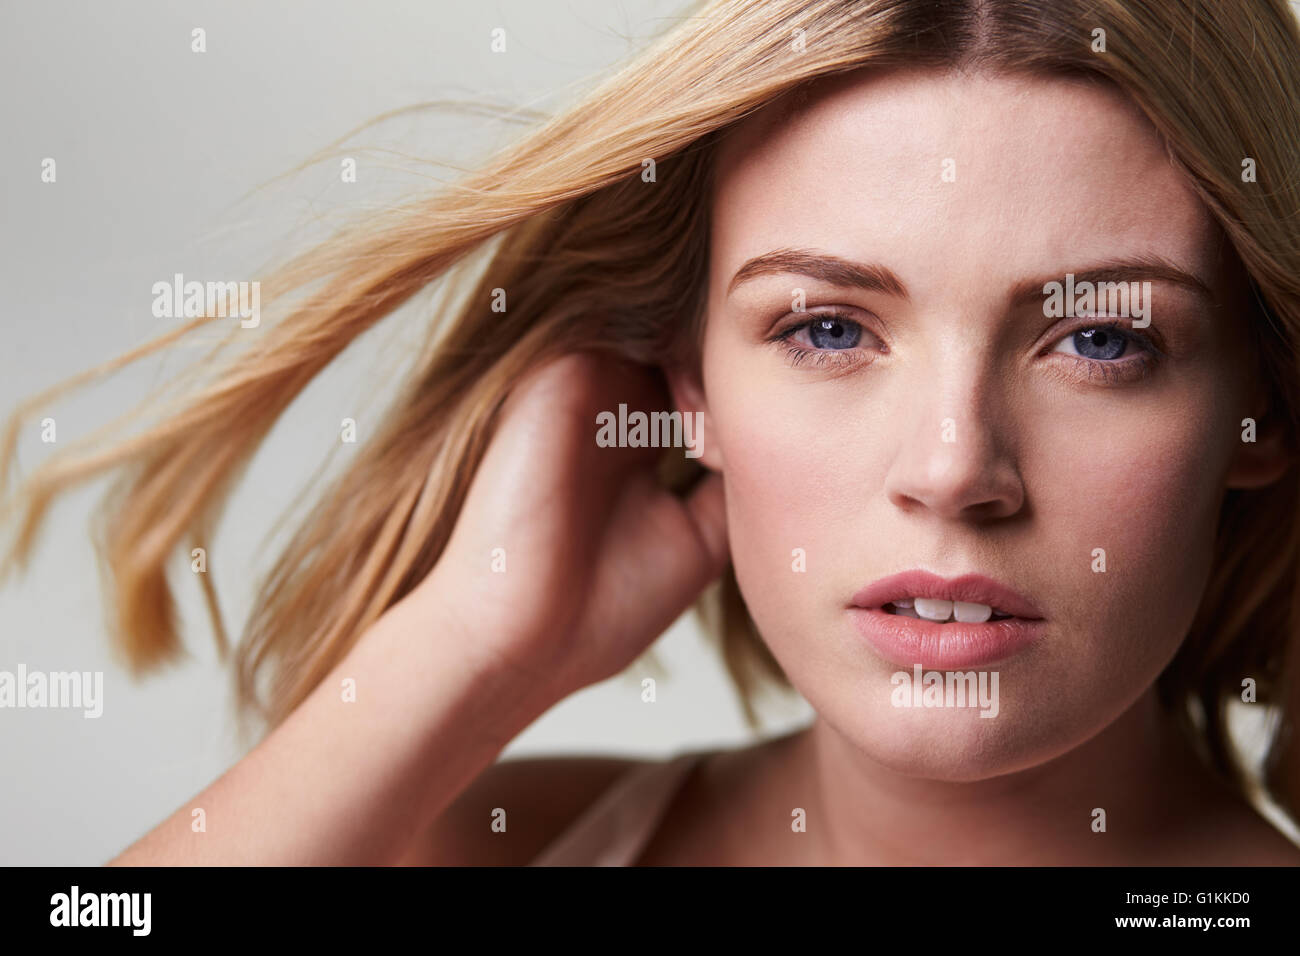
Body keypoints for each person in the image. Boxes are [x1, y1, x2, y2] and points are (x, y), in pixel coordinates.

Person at [5, 0, 1300, 865]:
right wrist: (470, 648)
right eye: (830, 331)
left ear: (1263, 406)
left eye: (1100, 341)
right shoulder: (491, 849)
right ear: (688, 392)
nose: (954, 468)